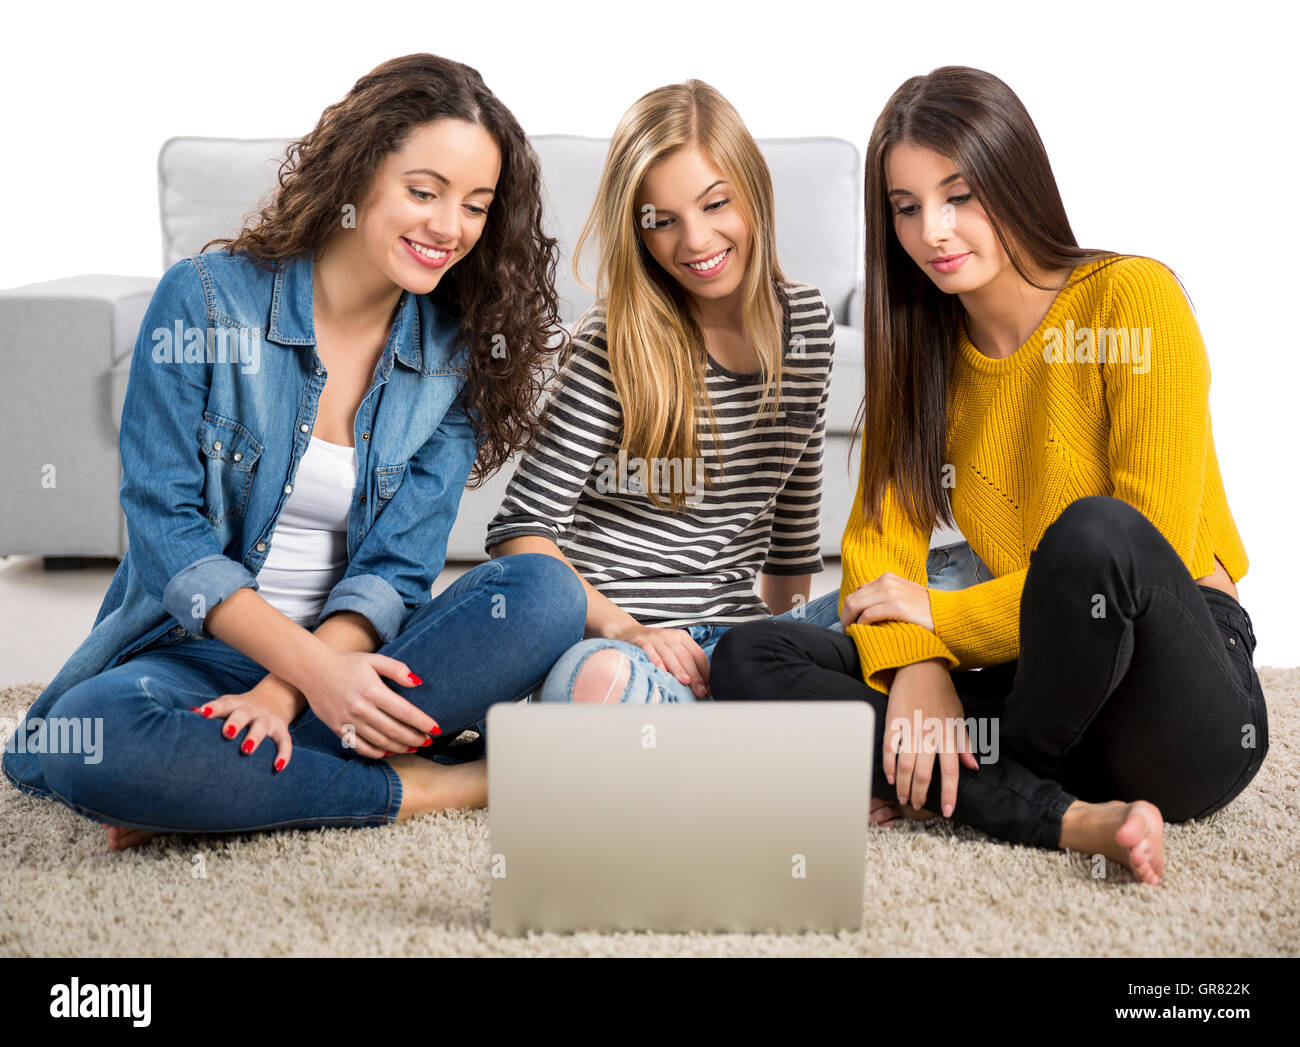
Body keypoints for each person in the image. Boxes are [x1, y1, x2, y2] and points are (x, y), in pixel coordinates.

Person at [1, 53, 587, 850]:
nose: (449, 227)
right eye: (424, 191)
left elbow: (398, 570)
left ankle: (221, 782)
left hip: (371, 658)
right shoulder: (205, 299)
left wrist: (289, 693)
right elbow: (168, 535)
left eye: (476, 206)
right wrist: (312, 675)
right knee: (92, 736)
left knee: (545, 590)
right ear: (357, 175)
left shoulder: (453, 356)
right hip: (198, 657)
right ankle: (432, 782)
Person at [710, 66, 1268, 885]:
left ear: (1014, 178)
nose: (933, 230)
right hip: (1045, 692)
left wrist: (940, 617)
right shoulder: (923, 354)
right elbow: (877, 543)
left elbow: (1154, 546)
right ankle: (1061, 814)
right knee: (749, 657)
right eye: (906, 208)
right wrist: (919, 664)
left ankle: (948, 781)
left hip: (1176, 708)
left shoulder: (1131, 299)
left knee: (1094, 532)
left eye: (959, 195)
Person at [485, 80, 845, 705]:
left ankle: (746, 723)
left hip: (741, 643)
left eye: (715, 205)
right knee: (593, 684)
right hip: (624, 646)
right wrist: (626, 628)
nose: (697, 242)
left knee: (928, 587)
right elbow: (521, 529)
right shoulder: (613, 339)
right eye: (665, 222)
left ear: (754, 195)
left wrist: (793, 652)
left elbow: (793, 532)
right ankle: (760, 737)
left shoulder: (809, 325)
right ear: (639, 233)